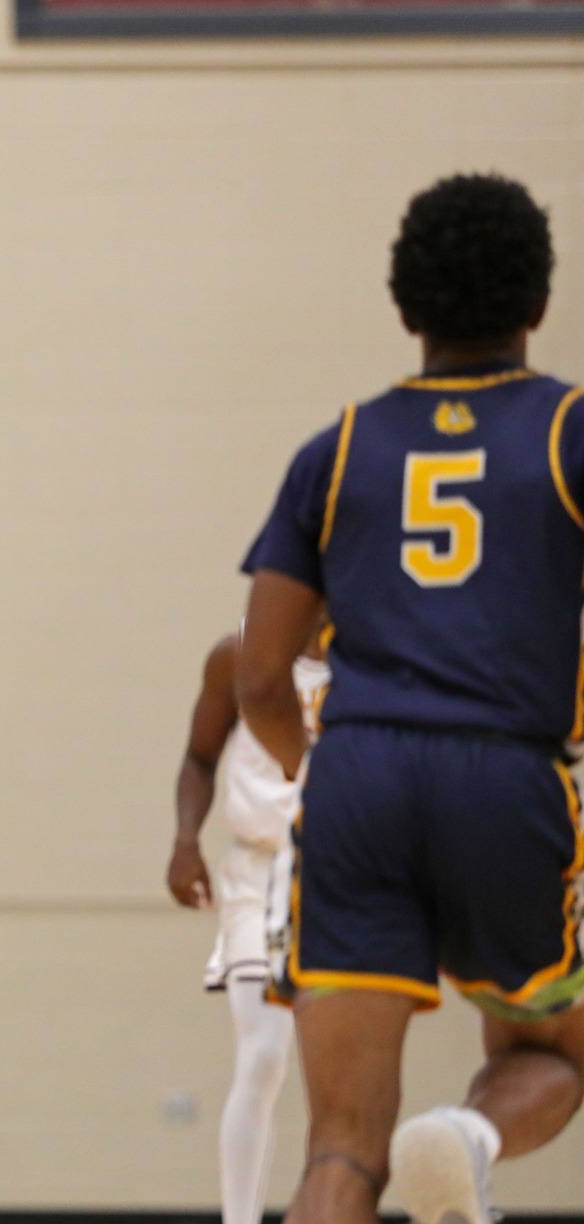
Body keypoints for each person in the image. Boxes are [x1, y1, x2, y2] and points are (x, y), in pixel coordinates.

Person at [238, 173, 584, 1224]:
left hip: (357, 777)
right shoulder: (569, 432)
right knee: (551, 1051)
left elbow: (259, 677)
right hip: (507, 775)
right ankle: (468, 1138)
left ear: (405, 308)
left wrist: (320, 772)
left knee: (340, 1146)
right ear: (538, 301)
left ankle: (387, 1165)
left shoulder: (334, 451)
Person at [170, 621, 329, 1224]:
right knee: (263, 1054)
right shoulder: (239, 652)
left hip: (347, 871)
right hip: (258, 872)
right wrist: (185, 841)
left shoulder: (379, 650)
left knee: (337, 1074)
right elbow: (199, 756)